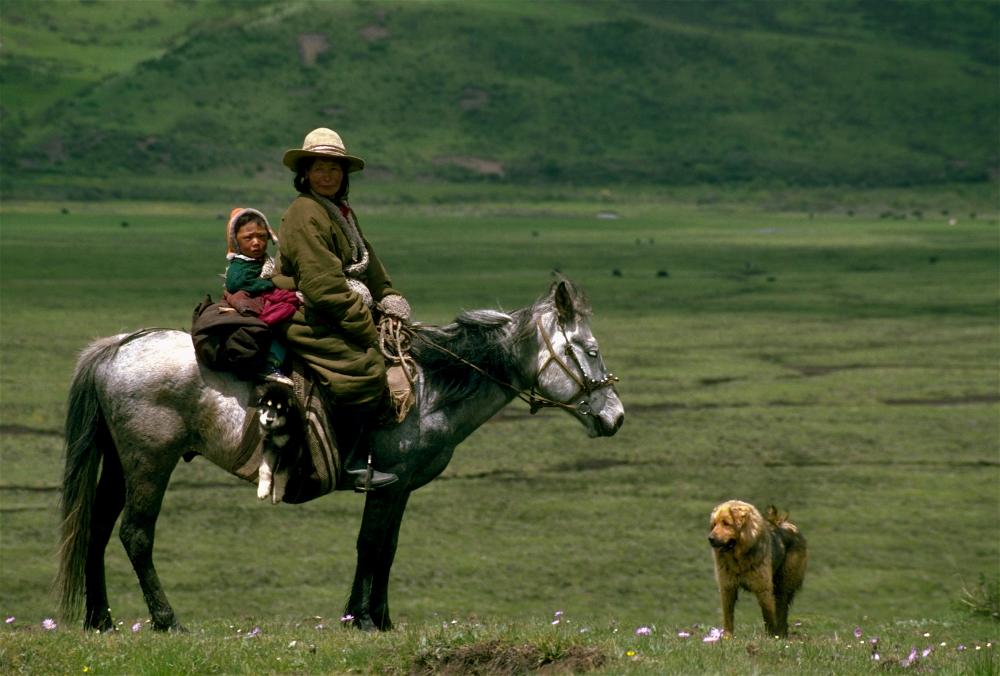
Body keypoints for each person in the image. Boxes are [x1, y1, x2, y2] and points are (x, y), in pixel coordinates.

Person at [277, 128, 410, 491]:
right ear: (304, 173)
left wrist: (390, 299)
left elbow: (369, 264)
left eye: (335, 169)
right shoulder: (306, 213)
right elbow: (323, 287)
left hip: (339, 307)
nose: (328, 176)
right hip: (310, 313)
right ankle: (348, 464)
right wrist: (367, 330)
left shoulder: (339, 212)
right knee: (364, 370)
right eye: (320, 168)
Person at [223, 207, 300, 386]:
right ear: (236, 241)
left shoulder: (264, 262)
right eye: (248, 238)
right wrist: (271, 285)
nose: (256, 242)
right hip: (254, 306)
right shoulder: (239, 266)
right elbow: (236, 284)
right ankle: (270, 365)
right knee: (278, 324)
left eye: (261, 236)